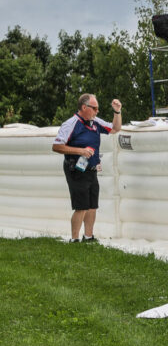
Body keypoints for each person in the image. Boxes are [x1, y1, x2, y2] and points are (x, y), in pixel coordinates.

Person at [52, 94, 122, 242]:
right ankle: (75, 239)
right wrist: (80, 151)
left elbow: (116, 128)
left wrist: (117, 112)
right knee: (81, 206)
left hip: (91, 168)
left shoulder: (95, 122)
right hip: (76, 169)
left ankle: (88, 237)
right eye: (94, 108)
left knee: (92, 205)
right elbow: (57, 146)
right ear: (84, 107)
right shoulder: (70, 124)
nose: (97, 111)